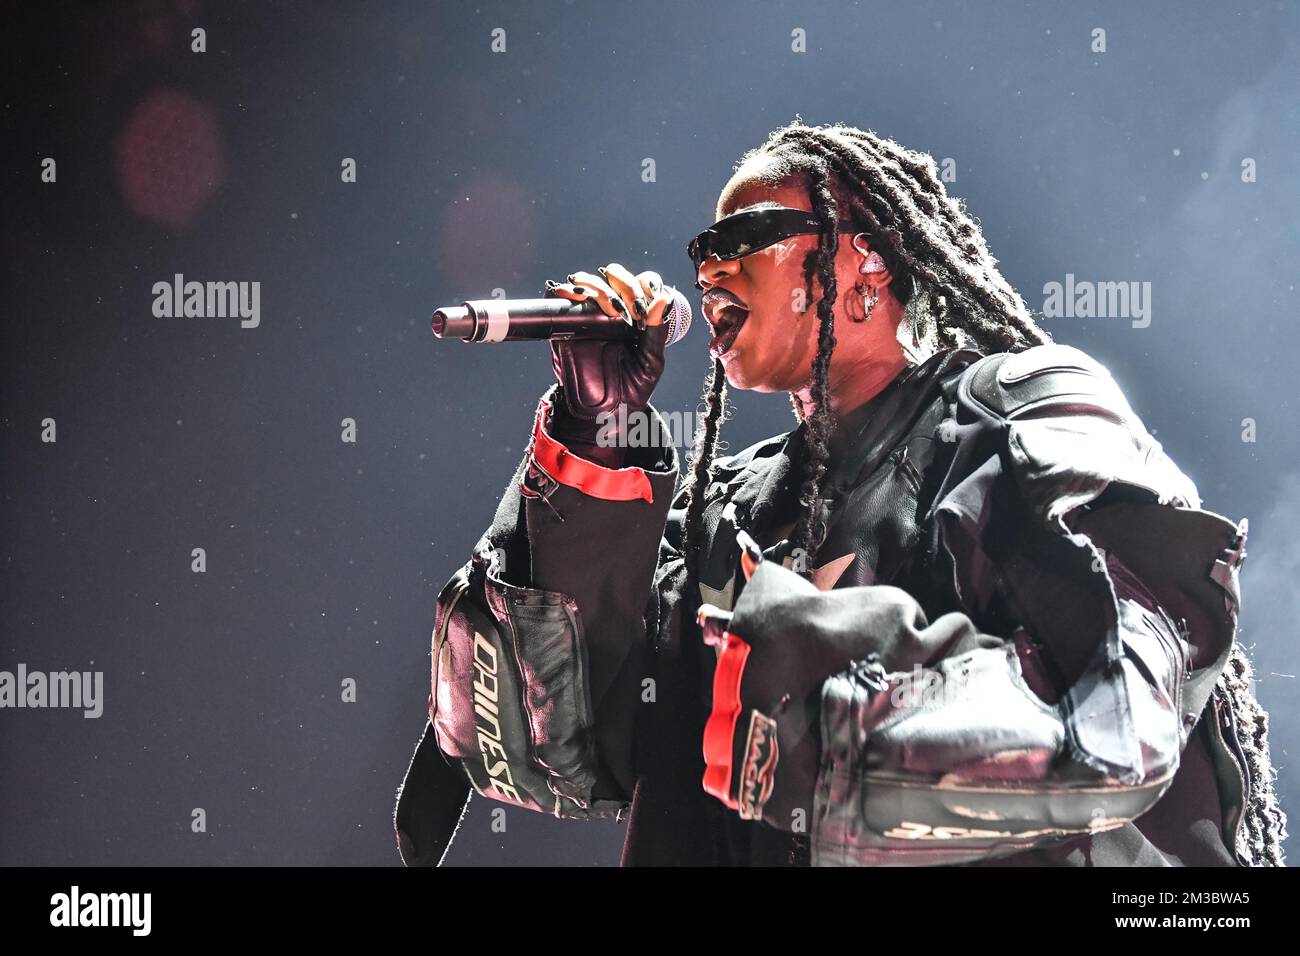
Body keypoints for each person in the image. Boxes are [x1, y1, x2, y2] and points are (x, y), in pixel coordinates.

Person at [395, 121, 1286, 866]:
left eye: (741, 240)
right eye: (701, 250)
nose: (707, 271)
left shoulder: (1021, 412)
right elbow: (552, 749)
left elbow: (1117, 726)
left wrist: (814, 693)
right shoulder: (733, 509)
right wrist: (596, 436)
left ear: (865, 261)